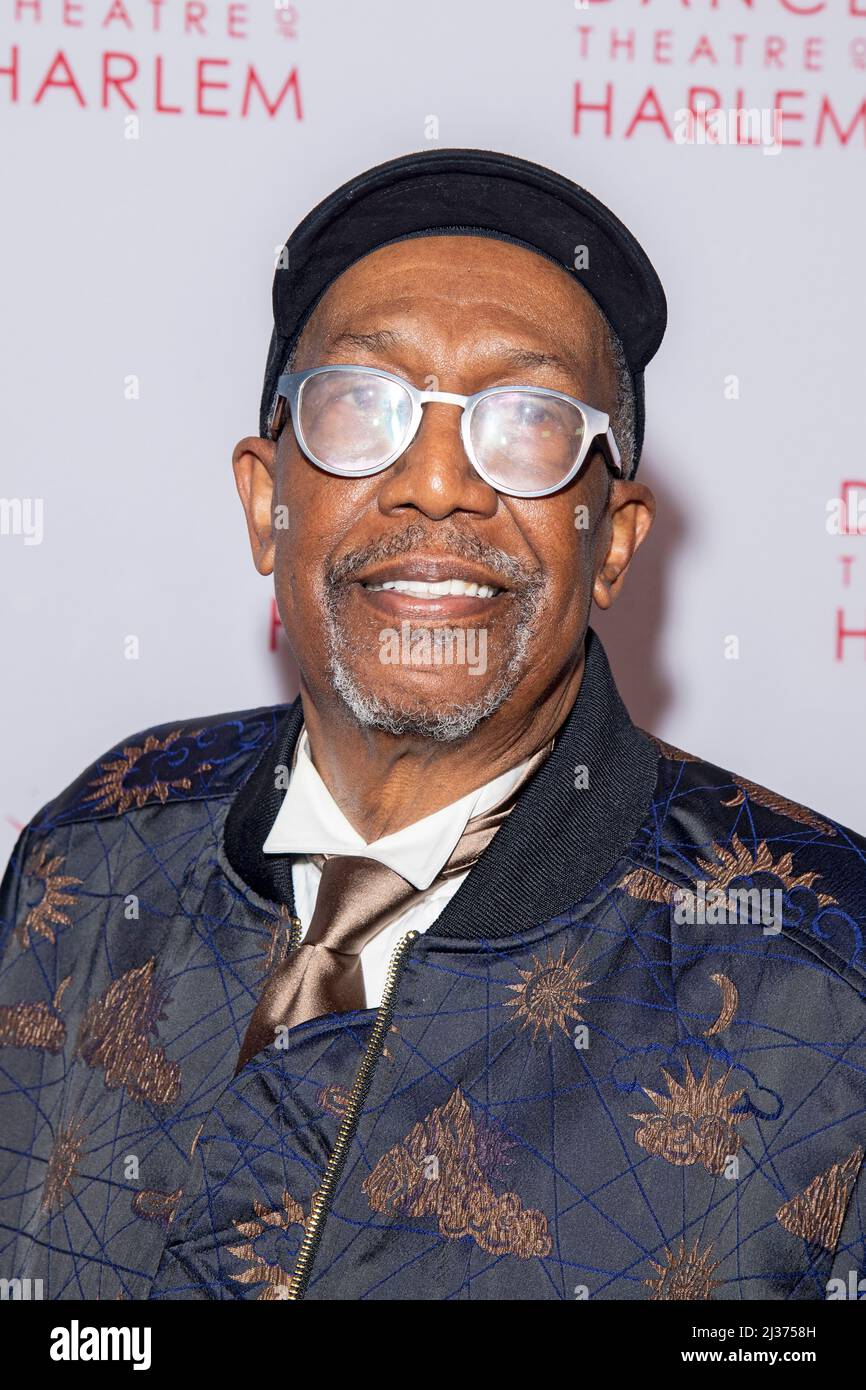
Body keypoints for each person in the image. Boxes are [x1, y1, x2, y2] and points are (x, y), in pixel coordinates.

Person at [1, 149, 864, 1302]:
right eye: (364, 407)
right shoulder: (98, 846)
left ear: (610, 537)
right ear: (267, 503)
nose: (440, 483)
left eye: (526, 422)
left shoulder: (818, 982)